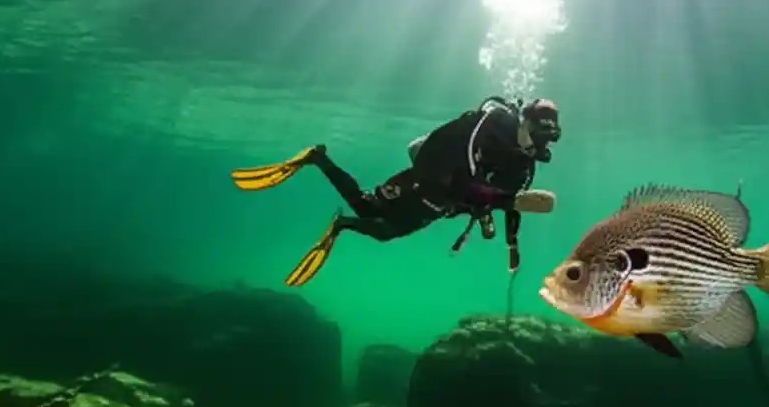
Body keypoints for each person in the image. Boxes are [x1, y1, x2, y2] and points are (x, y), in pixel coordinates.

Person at [229, 96, 562, 287]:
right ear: (523, 121)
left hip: (438, 204)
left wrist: (511, 243)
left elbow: (508, 203)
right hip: (426, 182)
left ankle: (330, 195)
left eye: (547, 141)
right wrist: (508, 201)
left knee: (378, 223)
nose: (539, 147)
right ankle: (320, 168)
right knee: (370, 214)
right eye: (537, 135)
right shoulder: (489, 126)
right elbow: (465, 184)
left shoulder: (523, 165)